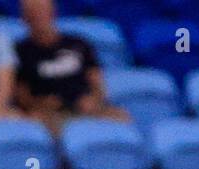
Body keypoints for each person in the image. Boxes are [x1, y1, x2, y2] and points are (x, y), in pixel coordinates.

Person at [14, 0, 125, 131]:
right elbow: (20, 94)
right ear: (24, 18)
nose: (38, 16)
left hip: (84, 106)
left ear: (53, 12)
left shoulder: (78, 43)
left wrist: (94, 100)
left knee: (120, 117)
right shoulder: (20, 51)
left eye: (42, 11)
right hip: (49, 113)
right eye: (32, 13)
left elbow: (96, 81)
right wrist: (39, 104)